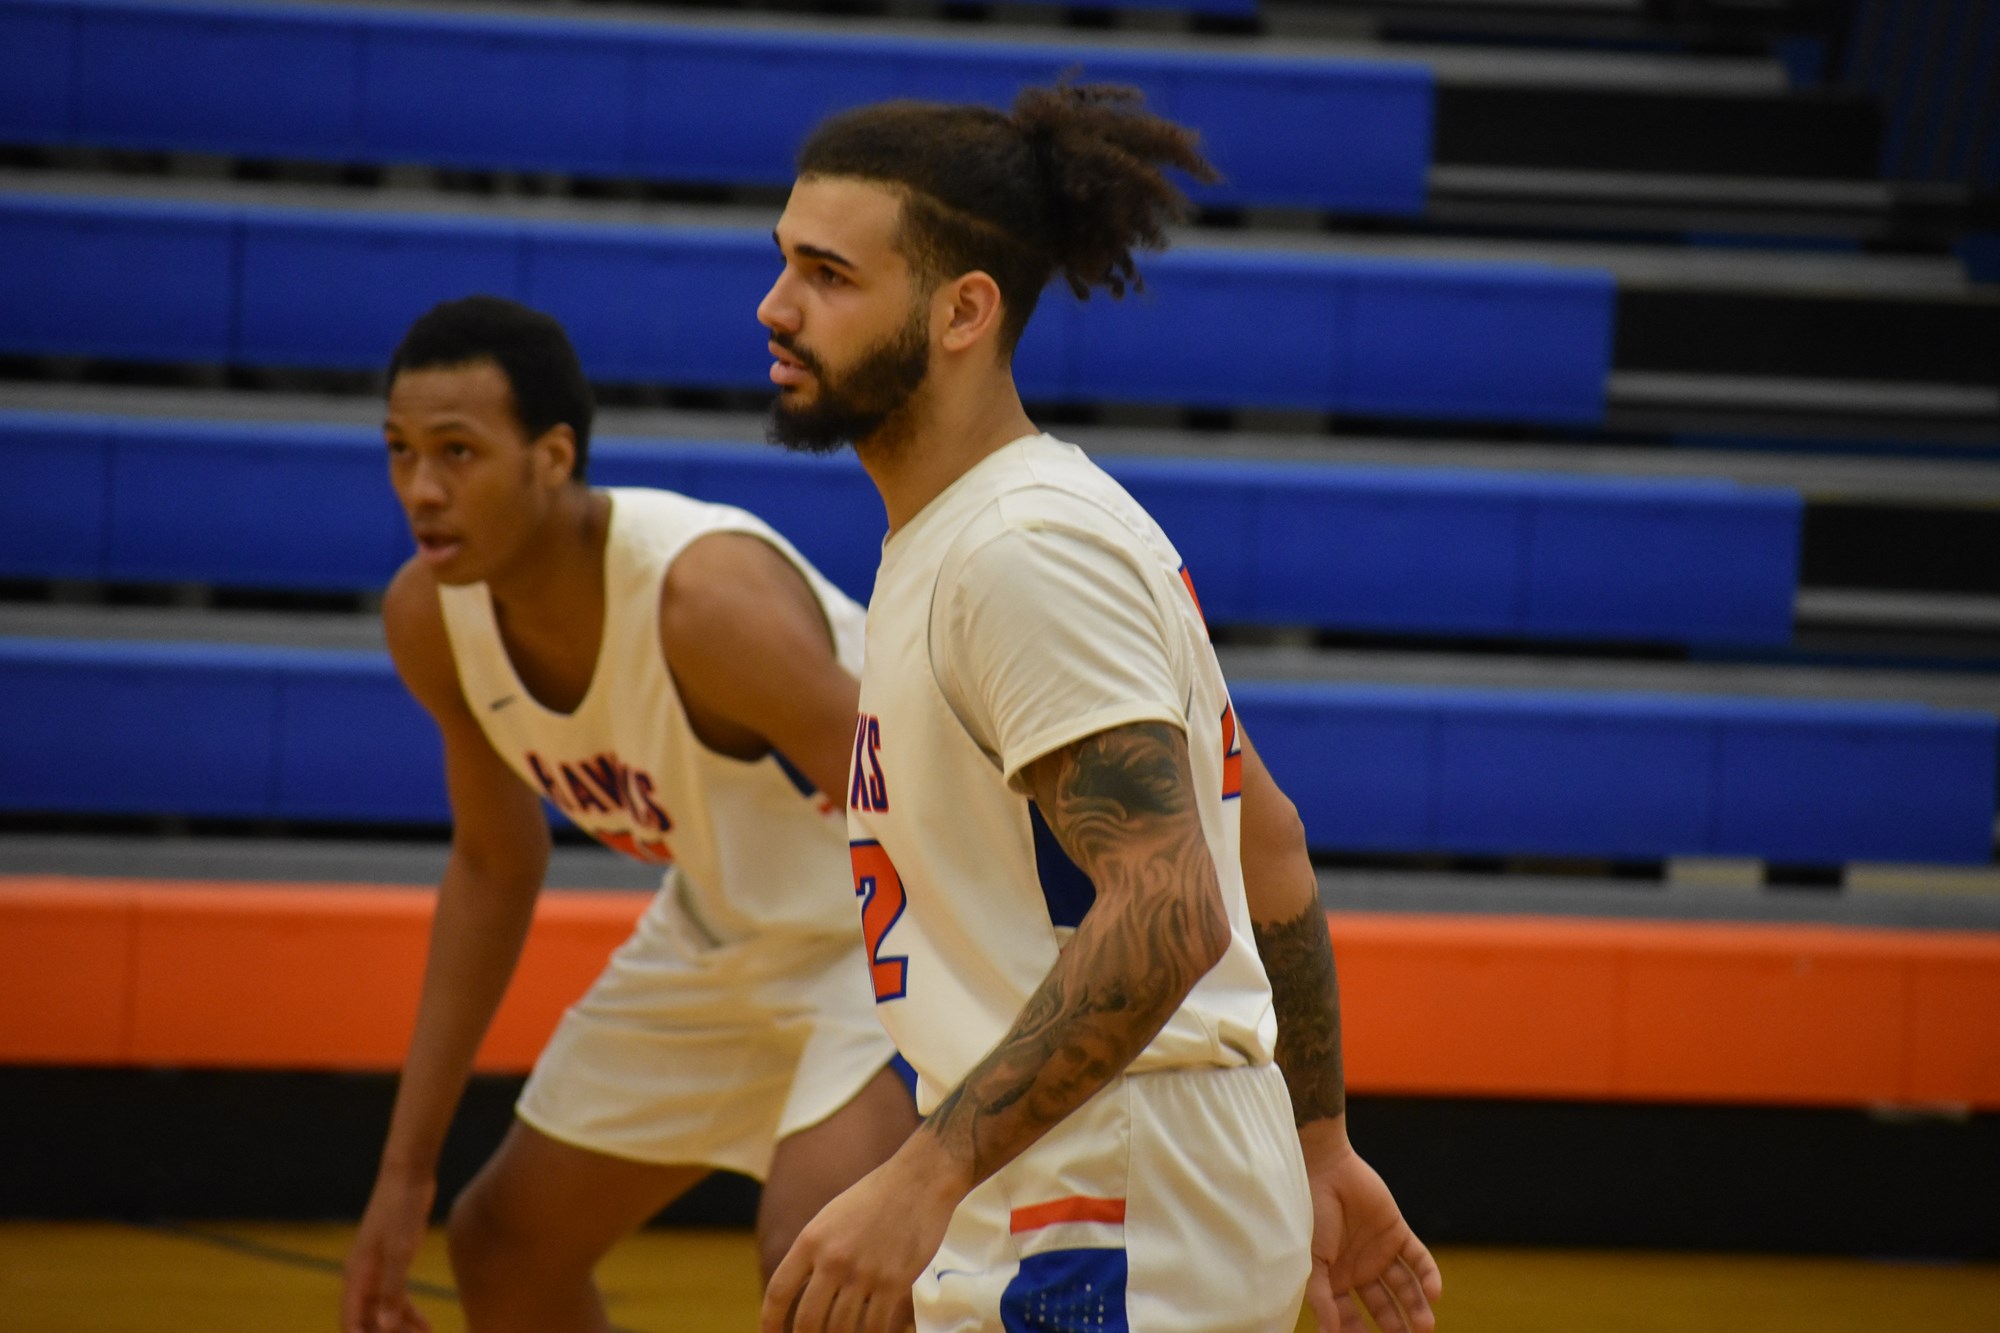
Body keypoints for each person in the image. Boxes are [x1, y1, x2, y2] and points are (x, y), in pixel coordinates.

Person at [754, 86, 1442, 1333]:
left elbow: (1171, 907)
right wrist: (1318, 1144)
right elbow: (1266, 842)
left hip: (1106, 1191)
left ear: (963, 309)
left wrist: (922, 1172)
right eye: (781, 264)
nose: (776, 307)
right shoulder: (987, 527)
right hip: (1107, 1168)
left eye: (827, 274)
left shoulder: (1020, 550)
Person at [341, 295, 917, 1333]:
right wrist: (402, 1173)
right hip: (718, 931)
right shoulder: (429, 616)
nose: (420, 490)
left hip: (885, 937)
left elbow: (945, 819)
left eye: (458, 453)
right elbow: (491, 867)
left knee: (818, 1264)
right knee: (503, 1245)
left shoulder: (704, 603)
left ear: (551, 457)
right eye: (400, 451)